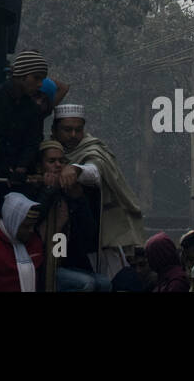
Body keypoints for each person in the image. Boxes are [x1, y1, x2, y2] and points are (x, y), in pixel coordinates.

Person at [51, 103, 147, 272]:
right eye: (67, 130)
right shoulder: (49, 149)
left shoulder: (93, 149)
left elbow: (95, 172)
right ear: (55, 130)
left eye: (78, 129)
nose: (73, 135)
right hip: (55, 231)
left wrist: (75, 169)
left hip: (92, 236)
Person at [34, 140, 110, 291]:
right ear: (40, 166)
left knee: (104, 283)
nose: (58, 165)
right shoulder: (34, 191)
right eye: (51, 161)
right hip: (43, 265)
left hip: (67, 264)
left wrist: (78, 199)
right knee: (86, 283)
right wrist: (49, 190)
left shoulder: (70, 191)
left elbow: (89, 235)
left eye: (61, 161)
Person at [0, 50, 47, 184]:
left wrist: (21, 167)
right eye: (36, 78)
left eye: (42, 79)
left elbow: (33, 140)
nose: (40, 84)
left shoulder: (32, 108)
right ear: (22, 76)